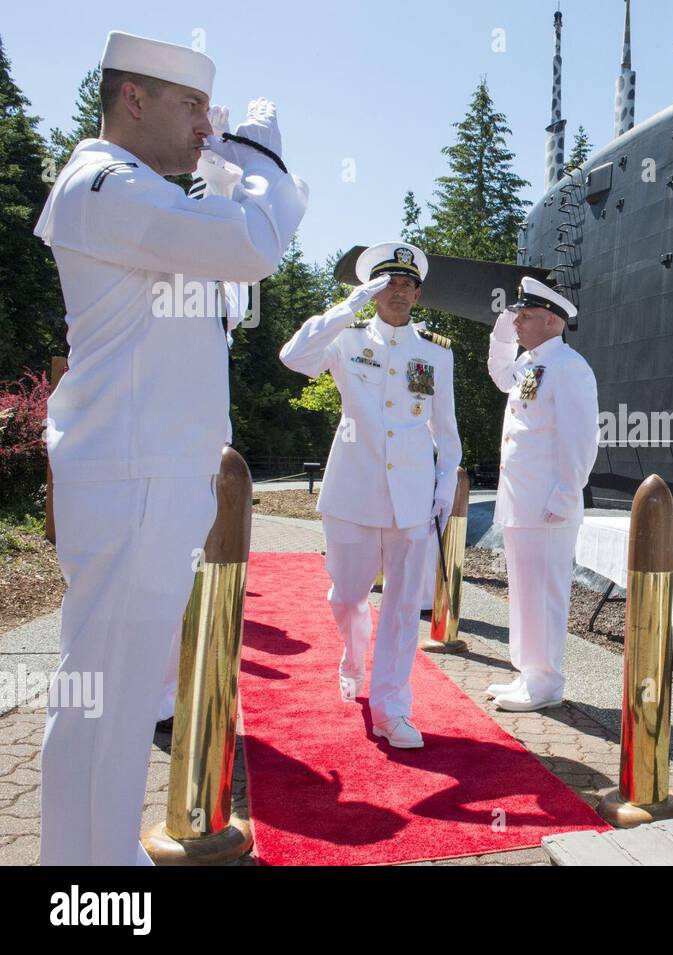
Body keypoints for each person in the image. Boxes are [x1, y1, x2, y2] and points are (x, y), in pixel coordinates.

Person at [34, 31, 308, 865]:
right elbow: (251, 245)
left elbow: (222, 268)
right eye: (190, 106)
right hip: (134, 473)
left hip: (149, 472)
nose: (203, 123)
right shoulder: (106, 184)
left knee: (113, 700)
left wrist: (227, 174)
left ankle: (91, 867)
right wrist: (261, 165)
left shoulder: (144, 198)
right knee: (105, 703)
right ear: (134, 100)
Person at [280, 242, 461, 747]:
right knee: (347, 595)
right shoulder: (345, 338)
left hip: (411, 497)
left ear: (418, 293)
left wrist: (444, 485)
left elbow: (446, 429)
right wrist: (348, 306)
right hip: (353, 492)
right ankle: (353, 655)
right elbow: (294, 357)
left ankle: (391, 708)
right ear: (372, 291)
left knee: (404, 607)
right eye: (386, 283)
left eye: (406, 283)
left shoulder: (436, 352)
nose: (397, 291)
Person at [485, 277, 599, 712]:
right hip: (523, 504)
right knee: (525, 593)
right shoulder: (532, 364)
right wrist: (500, 330)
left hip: (548, 507)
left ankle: (547, 682)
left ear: (551, 320)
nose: (518, 322)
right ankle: (530, 674)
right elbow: (499, 375)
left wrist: (566, 497)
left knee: (545, 594)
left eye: (525, 316)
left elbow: (579, 440)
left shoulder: (569, 367)